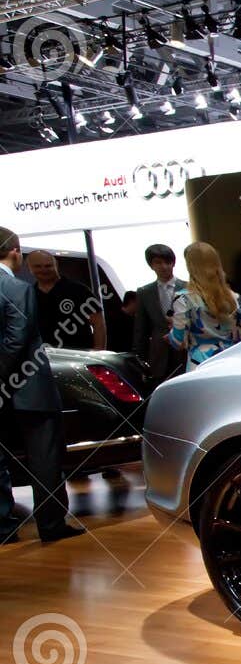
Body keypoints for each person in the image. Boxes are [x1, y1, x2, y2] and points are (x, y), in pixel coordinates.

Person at [0, 227, 82, 543]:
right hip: (29, 387)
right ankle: (50, 525)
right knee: (44, 459)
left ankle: (4, 528)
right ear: (16, 251)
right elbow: (17, 339)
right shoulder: (18, 288)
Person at [168, 242, 241, 370]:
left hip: (201, 363)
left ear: (190, 267)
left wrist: (172, 331)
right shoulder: (234, 297)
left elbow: (178, 341)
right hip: (233, 362)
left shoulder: (184, 299)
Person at [27, 251, 105, 351]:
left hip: (78, 353)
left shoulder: (79, 290)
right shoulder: (29, 294)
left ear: (56, 265)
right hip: (42, 355)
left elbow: (98, 323)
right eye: (38, 266)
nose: (43, 270)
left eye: (48, 266)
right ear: (30, 268)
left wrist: (99, 350)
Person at [133, 243, 186, 382]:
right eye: (158, 263)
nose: (164, 266)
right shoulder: (144, 292)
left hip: (185, 350)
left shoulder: (189, 287)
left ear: (173, 263)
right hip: (158, 353)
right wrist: (140, 359)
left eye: (167, 262)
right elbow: (141, 328)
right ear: (151, 265)